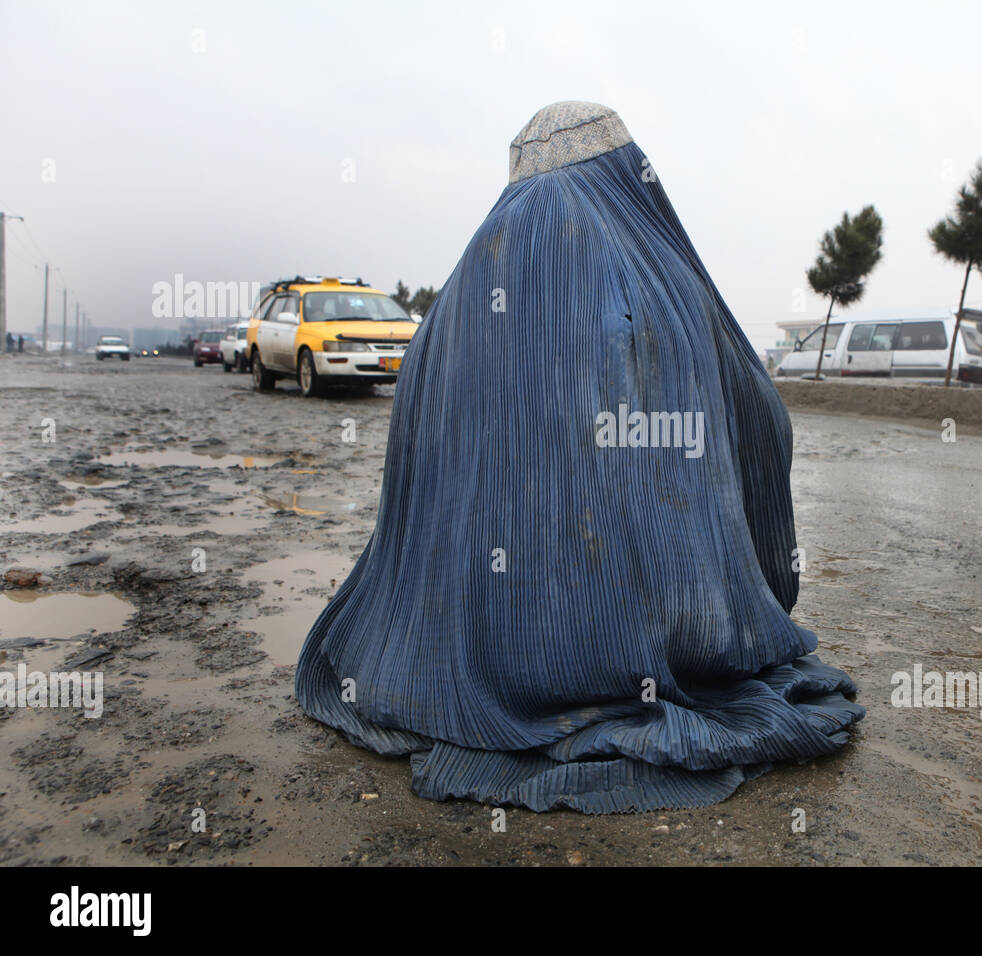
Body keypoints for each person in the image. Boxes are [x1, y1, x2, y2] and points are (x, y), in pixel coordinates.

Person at [295, 102, 864, 813]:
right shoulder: (653, 280)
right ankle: (613, 650)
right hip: (633, 634)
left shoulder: (458, 296)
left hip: (454, 638)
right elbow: (758, 423)